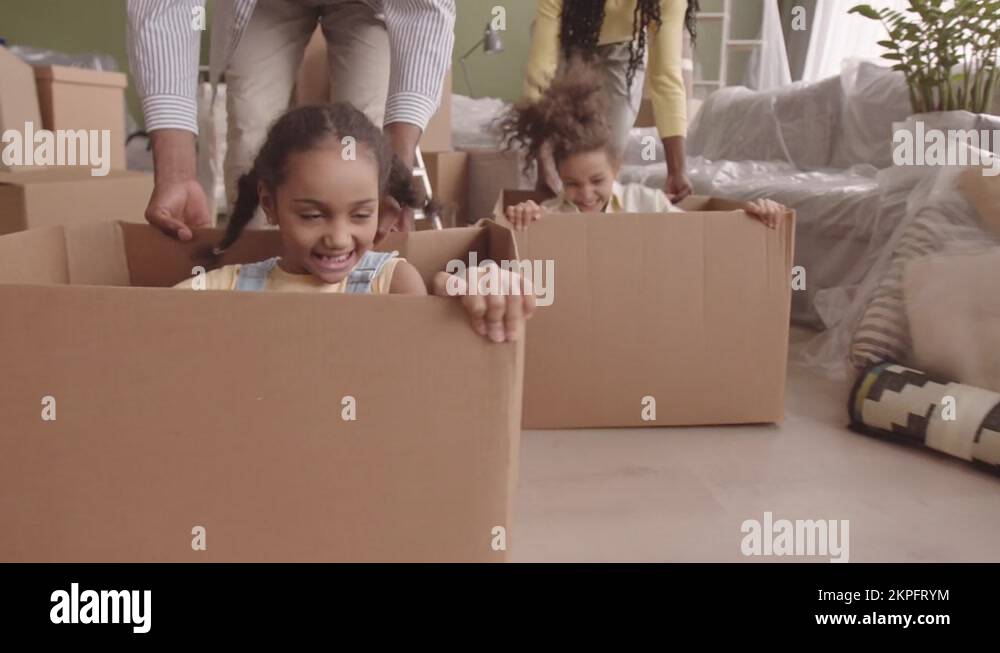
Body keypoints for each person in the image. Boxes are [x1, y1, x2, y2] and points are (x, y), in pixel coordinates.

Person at [173, 103, 534, 344]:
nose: (339, 238)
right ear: (270, 204)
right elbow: (146, 318)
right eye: (313, 215)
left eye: (361, 215)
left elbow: (442, 303)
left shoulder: (390, 281)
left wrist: (480, 277)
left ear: (383, 213)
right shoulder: (233, 285)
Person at [127, 0, 455, 241]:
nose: (335, 239)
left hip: (369, 7)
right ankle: (257, 283)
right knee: (250, 142)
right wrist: (176, 173)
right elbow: (165, 8)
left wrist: (395, 170)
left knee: (364, 156)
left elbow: (425, 13)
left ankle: (360, 288)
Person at [499, 58, 785, 229]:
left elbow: (700, 234)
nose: (586, 194)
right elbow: (505, 243)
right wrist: (522, 219)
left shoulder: (647, 203)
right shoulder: (549, 215)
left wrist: (749, 218)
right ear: (558, 177)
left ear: (616, 167)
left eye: (597, 179)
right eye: (572, 183)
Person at [522, 0, 699, 202]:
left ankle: (598, 224)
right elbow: (540, 74)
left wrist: (677, 170)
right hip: (568, 38)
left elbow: (666, 77)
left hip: (624, 48)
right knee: (560, 155)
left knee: (607, 156)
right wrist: (543, 161)